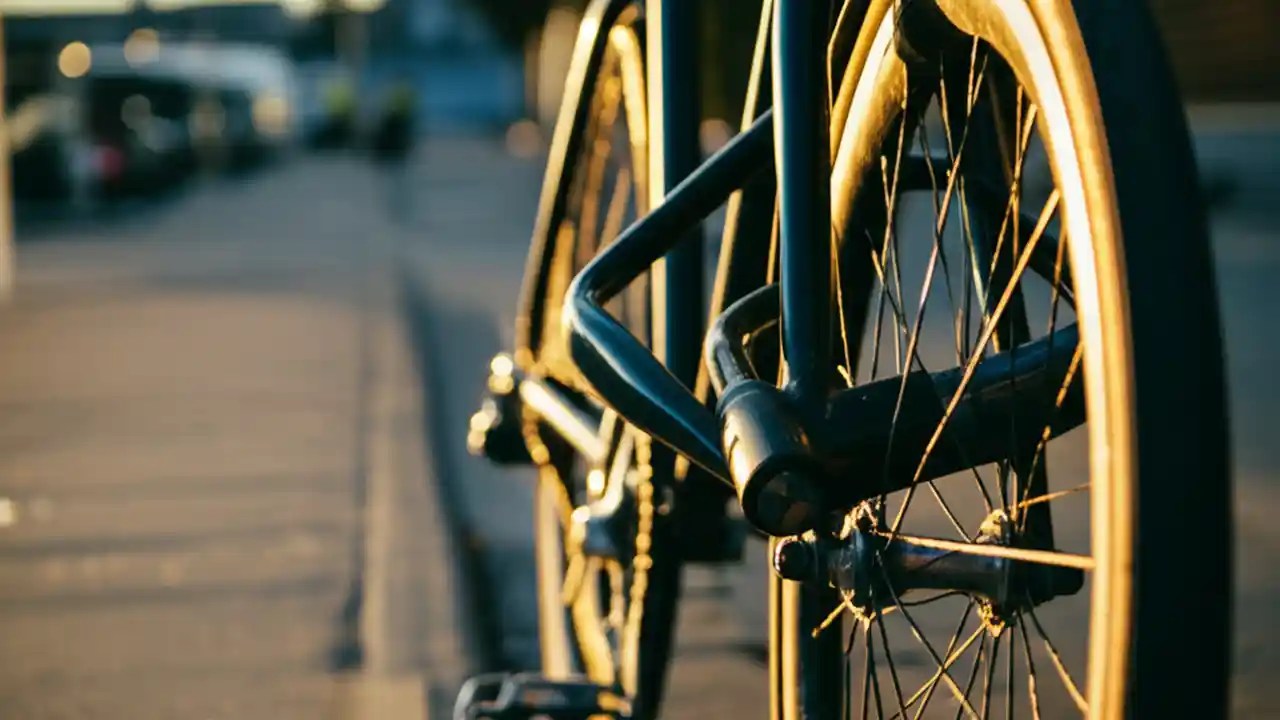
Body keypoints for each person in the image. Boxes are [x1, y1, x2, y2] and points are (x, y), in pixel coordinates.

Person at [371, 82, 418, 223]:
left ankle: (396, 213)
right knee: (396, 186)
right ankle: (397, 213)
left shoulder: (391, 118)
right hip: (393, 157)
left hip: (393, 157)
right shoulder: (396, 119)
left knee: (395, 187)